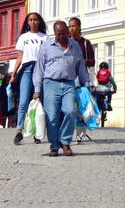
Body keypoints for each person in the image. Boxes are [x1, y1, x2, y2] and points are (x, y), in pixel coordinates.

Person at [32, 19, 88, 157]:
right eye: (58, 34)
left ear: (67, 32)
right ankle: (54, 145)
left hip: (69, 83)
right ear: (54, 33)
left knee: (70, 111)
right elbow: (39, 69)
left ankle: (65, 142)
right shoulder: (46, 46)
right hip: (51, 84)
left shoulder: (75, 46)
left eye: (63, 33)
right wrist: (37, 89)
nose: (61, 37)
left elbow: (81, 67)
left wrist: (86, 85)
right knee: (52, 116)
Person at [10, 12, 48, 145]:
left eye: (35, 19)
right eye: (30, 20)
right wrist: (13, 74)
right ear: (27, 22)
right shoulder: (23, 37)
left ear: (39, 21)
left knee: (40, 101)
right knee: (23, 101)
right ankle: (19, 130)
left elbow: (47, 57)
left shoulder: (45, 38)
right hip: (26, 69)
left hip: (40, 69)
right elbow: (19, 57)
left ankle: (38, 133)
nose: (33, 22)